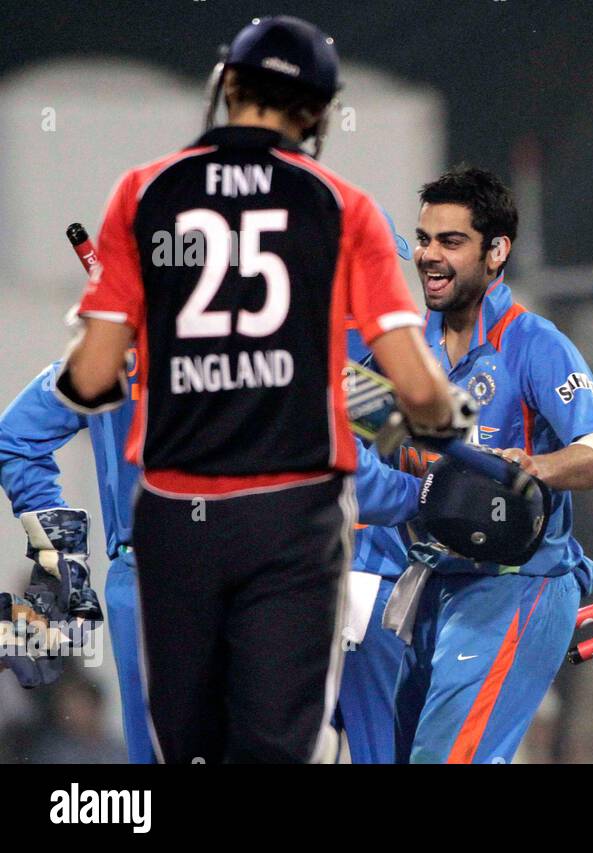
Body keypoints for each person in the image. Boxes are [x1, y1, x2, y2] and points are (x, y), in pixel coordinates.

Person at [56, 15, 457, 763]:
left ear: (225, 87)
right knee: (278, 748)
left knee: (186, 751)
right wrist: (444, 436)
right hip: (290, 518)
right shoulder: (340, 207)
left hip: (176, 520)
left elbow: (87, 376)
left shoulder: (145, 195)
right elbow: (406, 389)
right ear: (316, 112)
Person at [390, 166, 593, 764]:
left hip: (516, 585)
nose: (429, 257)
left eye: (451, 242)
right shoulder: (408, 345)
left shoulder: (535, 345)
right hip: (429, 585)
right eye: (423, 239)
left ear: (497, 252)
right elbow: (366, 437)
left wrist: (536, 467)